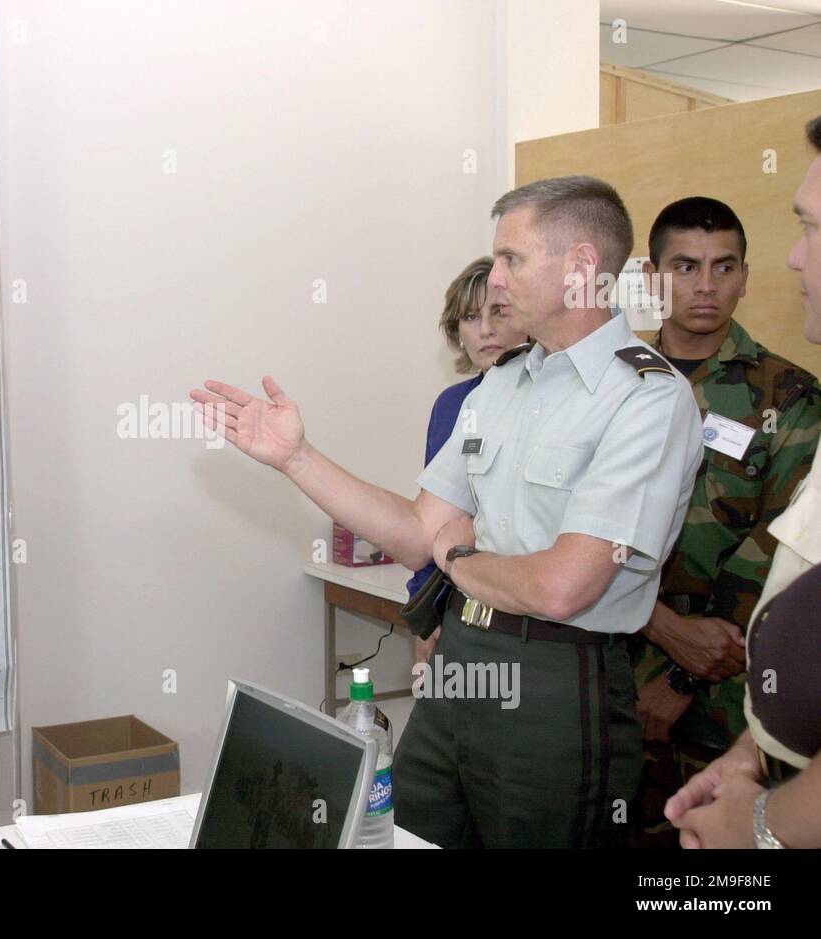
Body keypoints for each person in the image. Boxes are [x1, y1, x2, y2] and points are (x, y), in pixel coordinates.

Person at [192, 175, 704, 847]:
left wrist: (459, 558)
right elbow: (417, 530)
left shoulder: (647, 399)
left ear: (580, 268)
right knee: (405, 838)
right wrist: (296, 457)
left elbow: (564, 584)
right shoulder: (501, 384)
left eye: (512, 259)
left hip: (556, 678)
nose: (493, 280)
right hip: (461, 662)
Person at [628, 197, 821, 848]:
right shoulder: (610, 382)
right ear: (653, 277)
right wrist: (657, 629)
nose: (706, 285)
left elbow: (780, 552)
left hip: (724, 701)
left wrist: (683, 674)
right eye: (685, 266)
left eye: (723, 266)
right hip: (608, 674)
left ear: (745, 275)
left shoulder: (789, 395)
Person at [407, 257, 528, 666]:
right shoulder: (452, 405)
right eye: (471, 317)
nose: (486, 330)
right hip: (451, 596)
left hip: (519, 606)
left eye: (499, 313)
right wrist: (425, 613)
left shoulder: (545, 402)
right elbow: (433, 518)